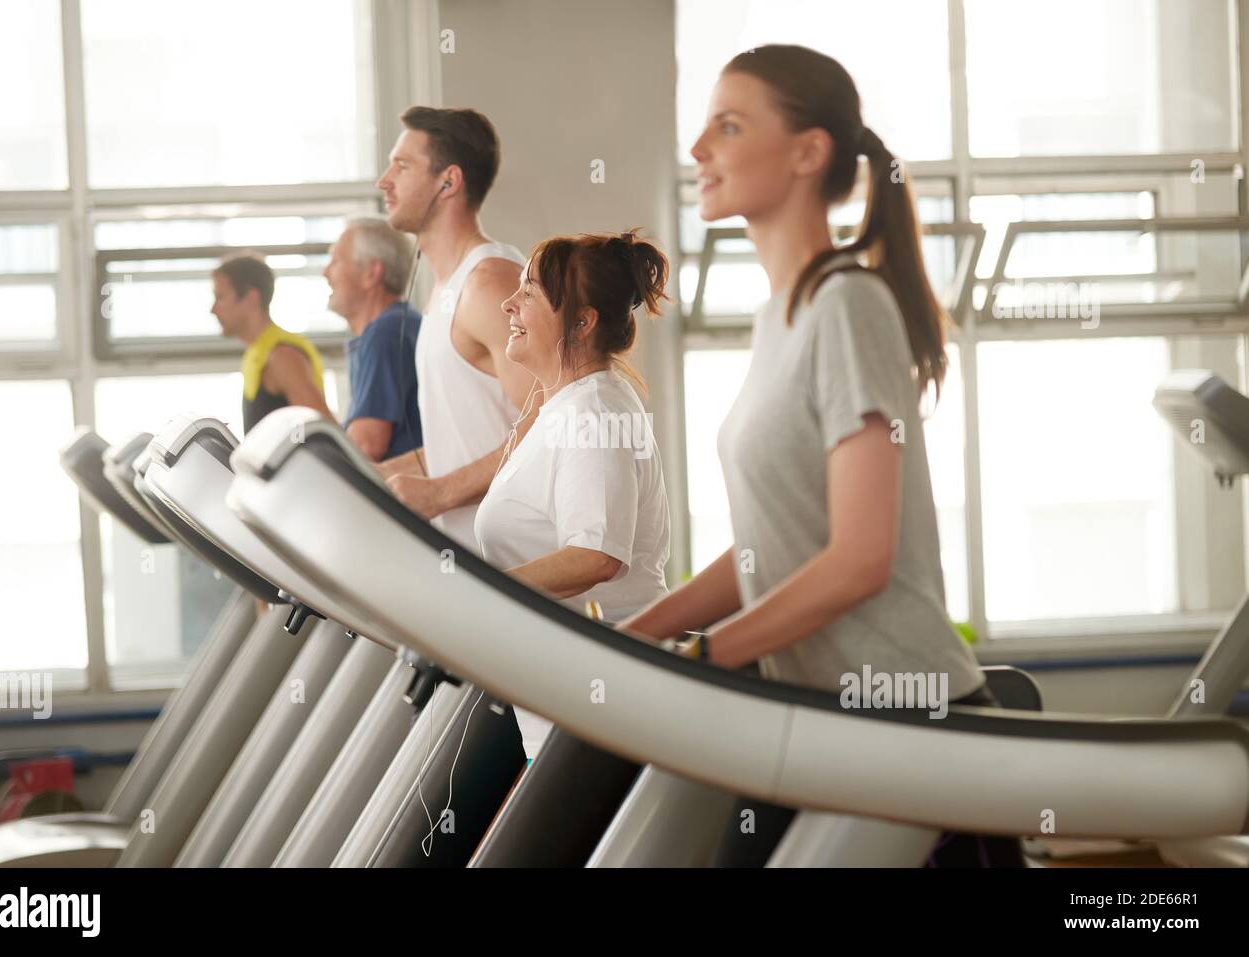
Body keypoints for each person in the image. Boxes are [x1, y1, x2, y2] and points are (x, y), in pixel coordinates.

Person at [619, 44, 1006, 867]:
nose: (698, 150)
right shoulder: (779, 318)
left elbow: (860, 559)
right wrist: (638, 634)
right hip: (817, 715)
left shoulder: (847, 305)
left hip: (906, 718)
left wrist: (705, 654)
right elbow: (774, 545)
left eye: (728, 126)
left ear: (808, 152)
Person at [474, 231, 673, 758]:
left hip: (602, 694)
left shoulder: (594, 412)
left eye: (530, 293)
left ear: (582, 322)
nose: (507, 303)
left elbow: (596, 555)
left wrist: (474, 594)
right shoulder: (566, 406)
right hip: (565, 689)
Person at [373, 107, 539, 548]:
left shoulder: (489, 283)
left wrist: (442, 493)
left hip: (527, 572)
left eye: (402, 166)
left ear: (448, 181)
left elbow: (551, 424)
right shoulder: (447, 288)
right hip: (476, 565)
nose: (383, 181)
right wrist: (375, 475)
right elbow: (463, 445)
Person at [324, 215, 422, 461]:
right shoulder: (395, 326)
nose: (325, 272)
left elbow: (367, 445)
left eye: (335, 261)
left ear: (371, 273)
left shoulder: (385, 334)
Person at [210, 254, 332, 435]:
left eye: (220, 297)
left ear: (251, 298)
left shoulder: (283, 355)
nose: (213, 309)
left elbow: (318, 434)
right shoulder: (257, 354)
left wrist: (290, 458)